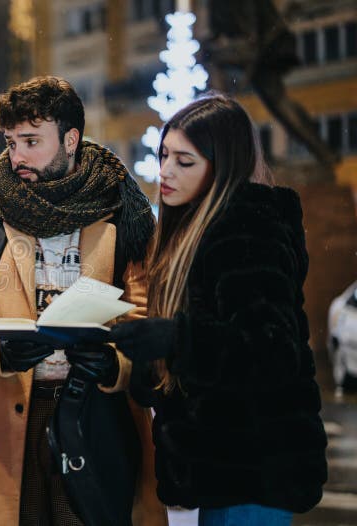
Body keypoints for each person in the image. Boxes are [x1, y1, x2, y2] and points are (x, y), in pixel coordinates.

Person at [0, 76, 167, 525]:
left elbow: (144, 310)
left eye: (30, 141)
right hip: (4, 414)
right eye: (10, 141)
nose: (16, 155)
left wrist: (115, 363)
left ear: (70, 139)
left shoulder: (124, 216)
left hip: (96, 409)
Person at [110, 94, 328, 525]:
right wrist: (141, 359)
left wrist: (177, 338)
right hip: (215, 471)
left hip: (251, 471)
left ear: (222, 166)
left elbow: (272, 351)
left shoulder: (248, 231)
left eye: (185, 161)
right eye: (164, 155)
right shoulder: (190, 231)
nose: (166, 171)